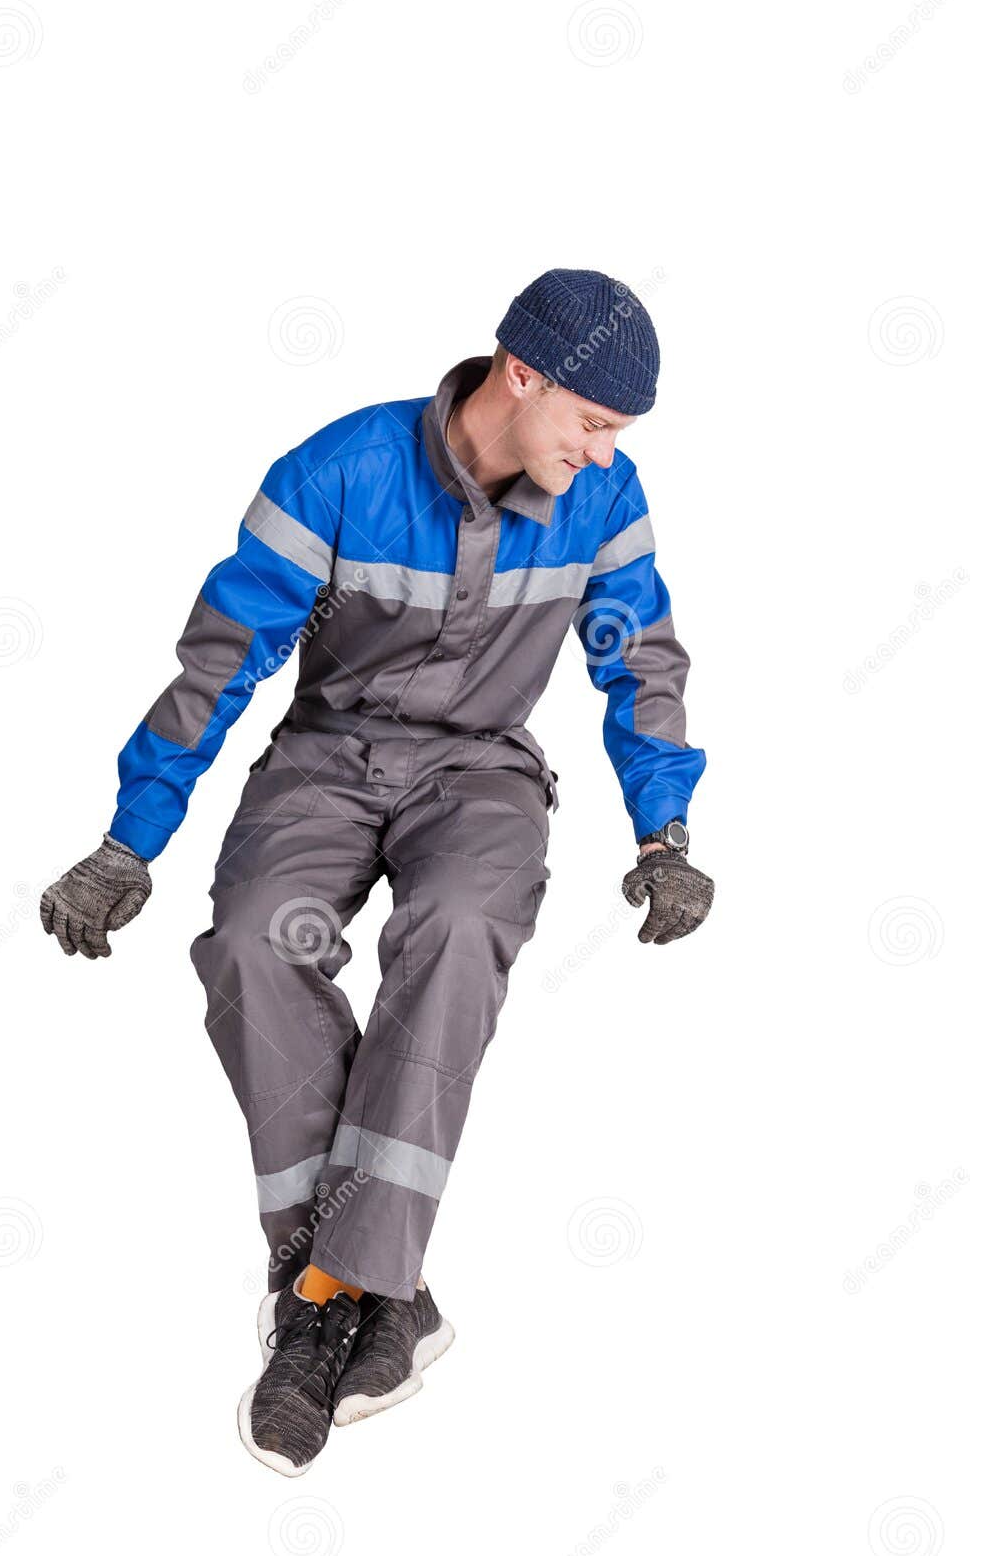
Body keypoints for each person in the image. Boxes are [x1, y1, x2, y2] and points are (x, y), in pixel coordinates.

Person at [40, 268, 714, 1474]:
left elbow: (638, 659)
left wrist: (661, 833)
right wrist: (126, 840)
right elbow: (223, 662)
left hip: (484, 777)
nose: (605, 456)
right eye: (592, 424)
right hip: (325, 760)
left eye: (620, 436)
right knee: (255, 936)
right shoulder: (340, 471)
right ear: (523, 374)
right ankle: (374, 1299)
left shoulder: (601, 505)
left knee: (454, 927)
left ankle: (324, 1295)